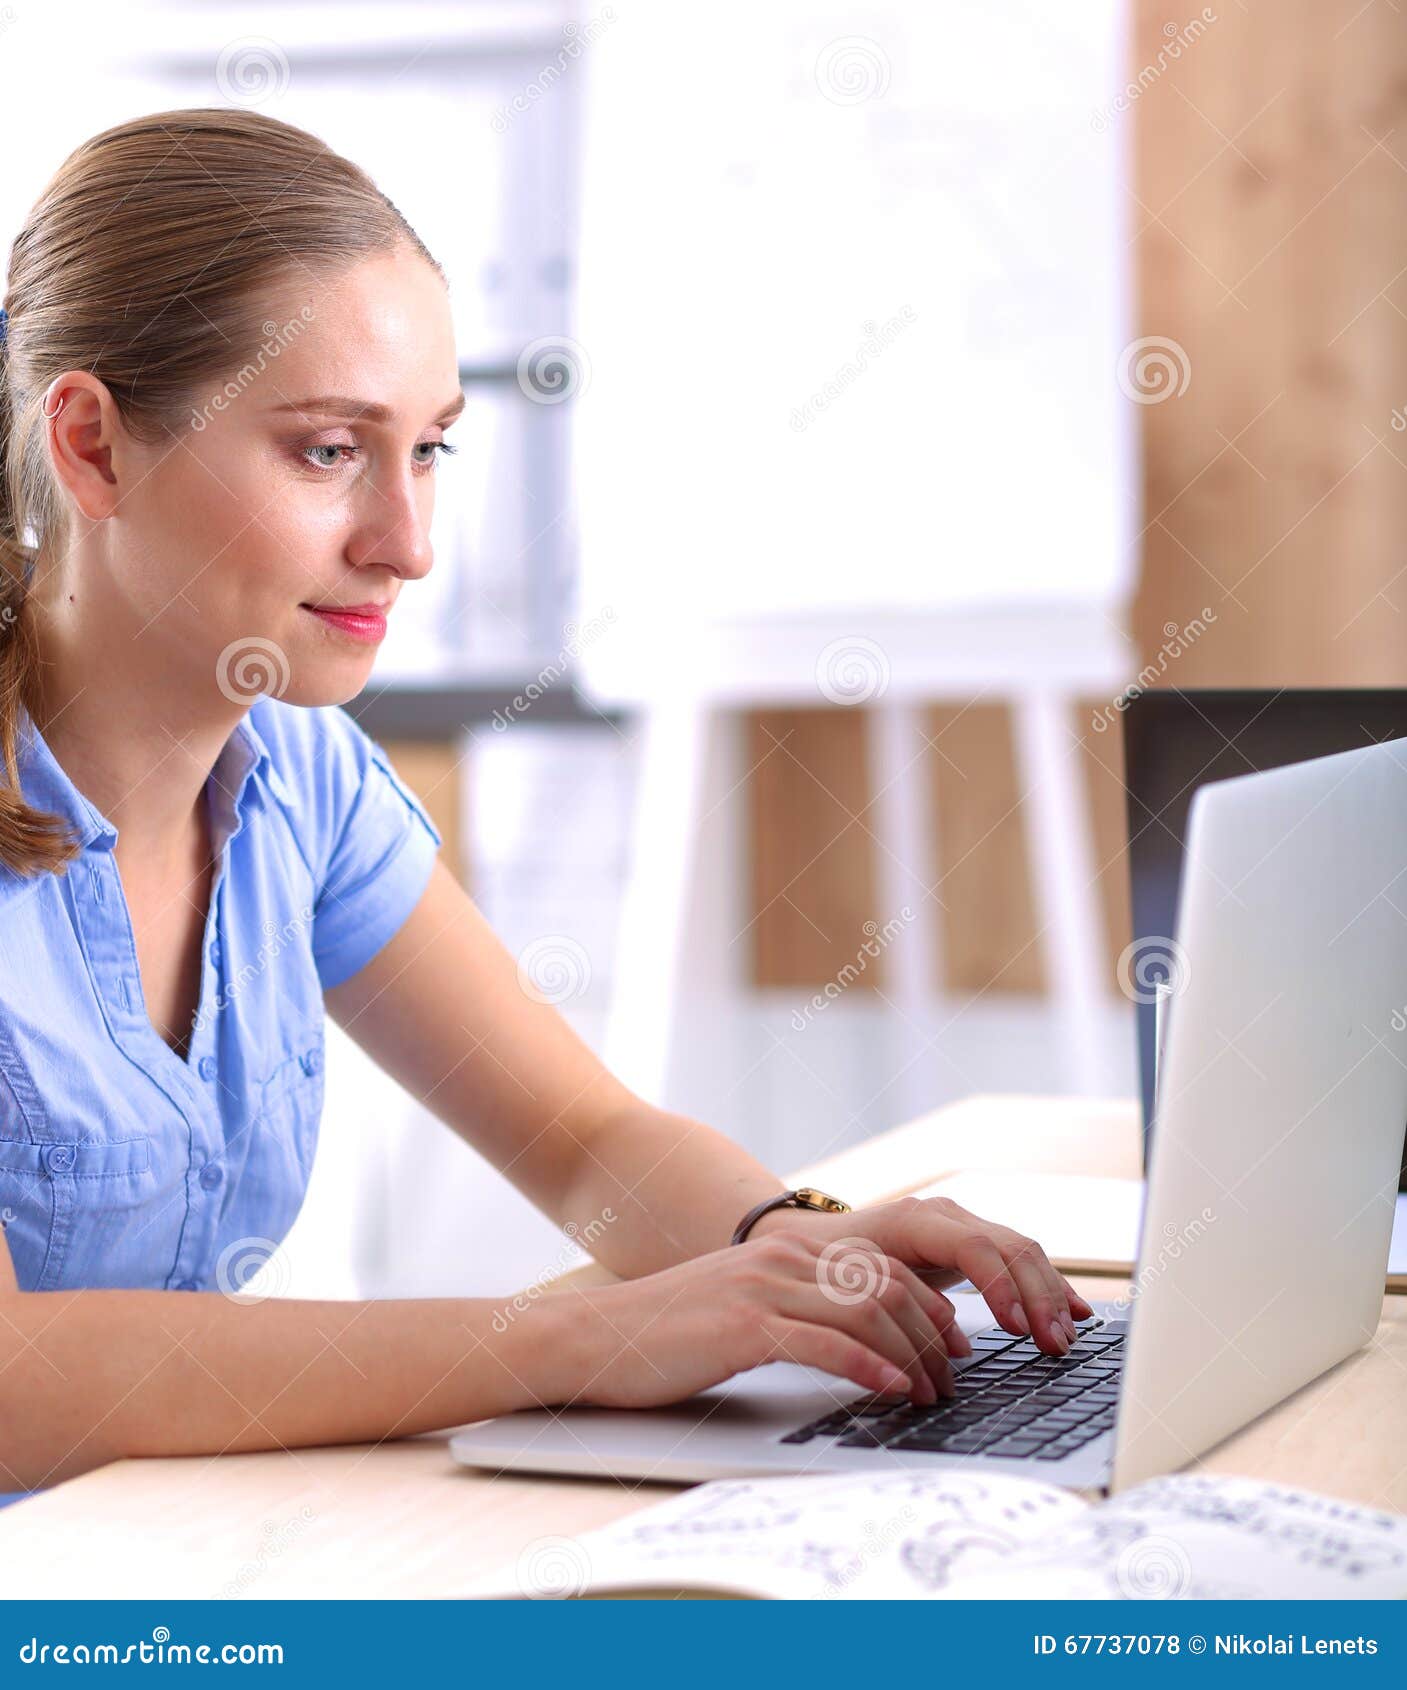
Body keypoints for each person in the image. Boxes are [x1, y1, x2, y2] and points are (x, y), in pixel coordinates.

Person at [0, 108, 1090, 1494]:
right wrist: (584, 1338)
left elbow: (586, 1143)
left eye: (430, 449)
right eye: (328, 450)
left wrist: (793, 1239)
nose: (408, 545)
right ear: (93, 446)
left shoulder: (302, 785)